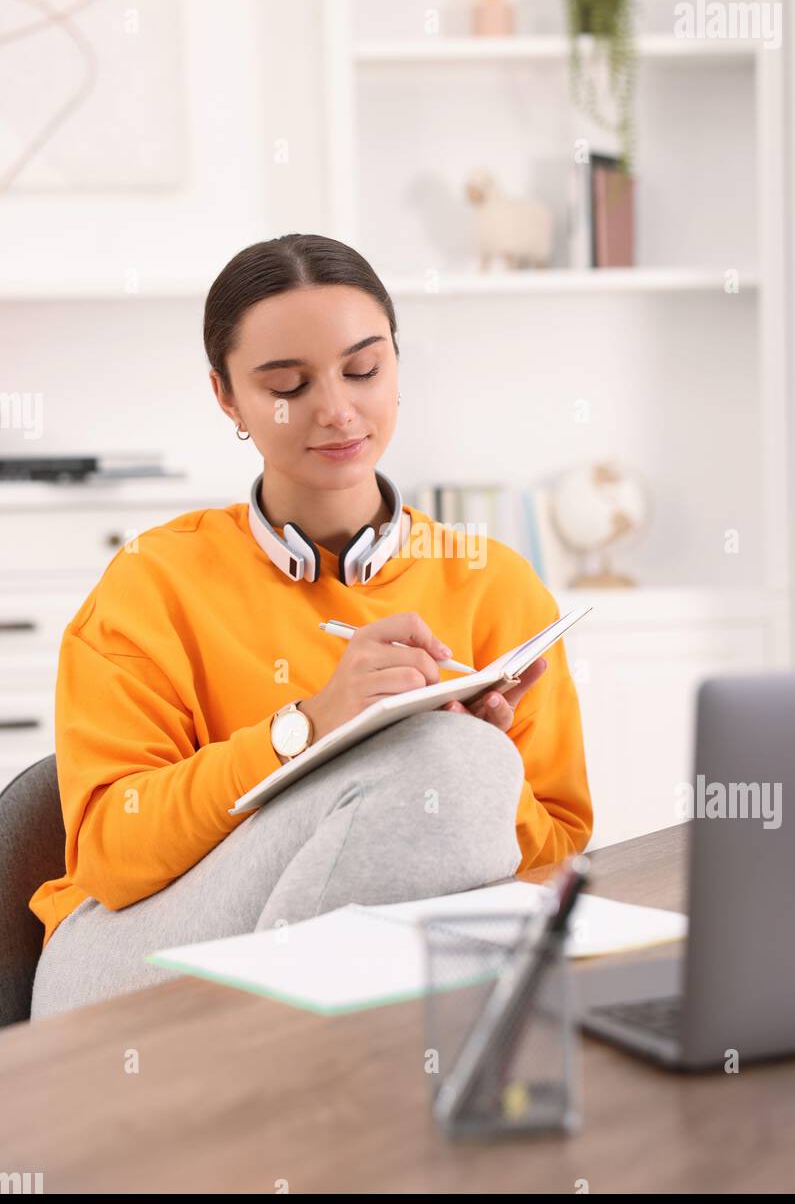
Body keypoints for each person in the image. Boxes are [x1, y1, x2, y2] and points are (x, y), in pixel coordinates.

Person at [28, 233, 593, 1019]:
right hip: (130, 948)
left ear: (397, 364)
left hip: (372, 948)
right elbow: (114, 859)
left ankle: (306, 1081)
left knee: (453, 761)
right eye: (287, 385)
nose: (336, 410)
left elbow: (558, 851)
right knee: (444, 764)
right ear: (228, 399)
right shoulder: (151, 582)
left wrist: (473, 754)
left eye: (365, 370)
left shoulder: (491, 582)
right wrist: (314, 725)